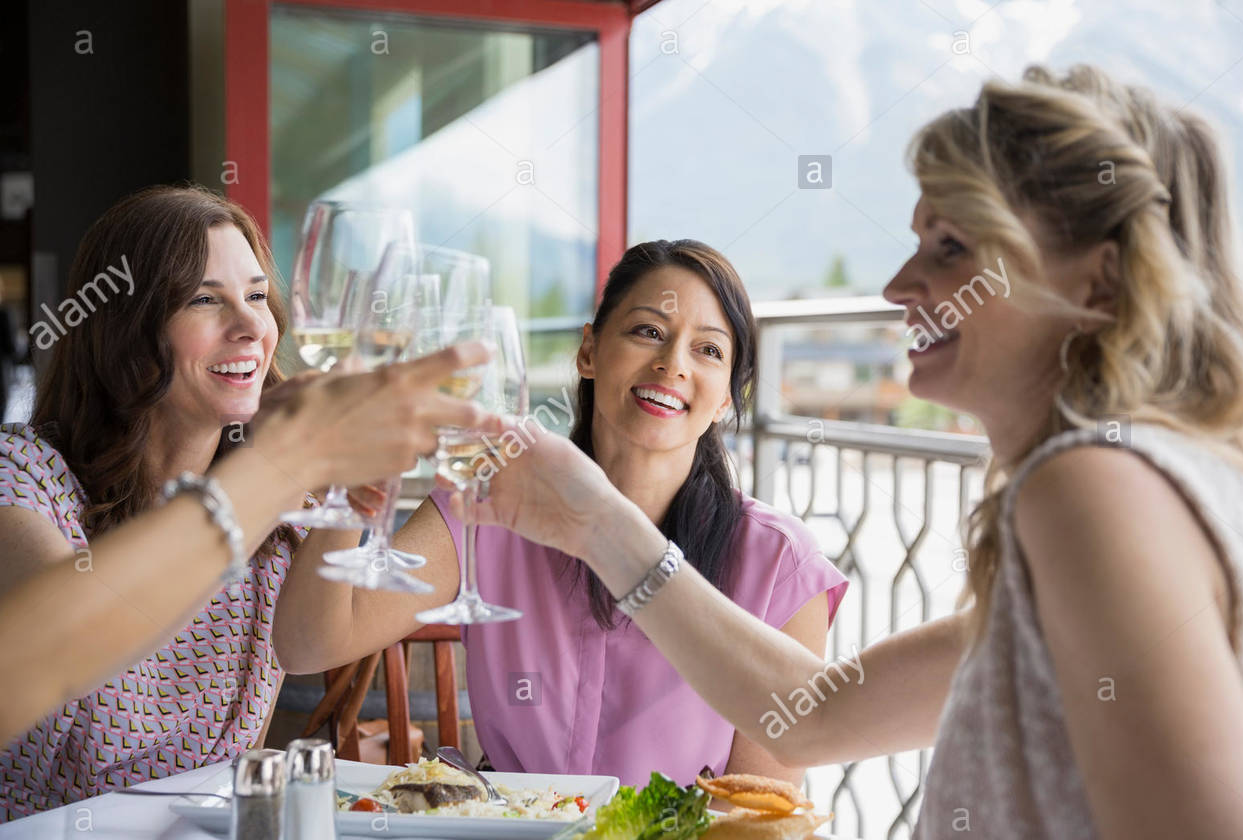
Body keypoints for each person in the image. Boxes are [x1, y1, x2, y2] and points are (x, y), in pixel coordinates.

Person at [447, 65, 1243, 840]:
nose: (900, 283)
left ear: (1099, 287)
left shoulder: (1095, 489)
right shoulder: (1152, 481)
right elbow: (817, 718)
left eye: (952, 247)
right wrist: (602, 523)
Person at [273, 240, 849, 788]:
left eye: (709, 350)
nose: (673, 364)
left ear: (725, 397)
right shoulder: (489, 502)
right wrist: (346, 471)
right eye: (648, 331)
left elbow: (759, 813)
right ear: (590, 351)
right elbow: (308, 645)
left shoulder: (779, 564)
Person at [0, 185, 496, 817]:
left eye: (258, 296)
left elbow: (306, 658)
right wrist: (288, 462)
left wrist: (340, 479)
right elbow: (58, 645)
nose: (251, 326)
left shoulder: (282, 514)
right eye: (205, 299)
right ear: (124, 327)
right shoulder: (24, 472)